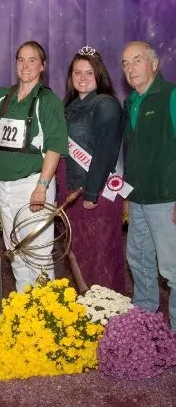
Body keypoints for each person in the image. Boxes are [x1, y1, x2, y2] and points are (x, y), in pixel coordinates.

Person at [0, 40, 68, 292]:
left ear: (42, 66)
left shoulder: (48, 100)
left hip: (33, 183)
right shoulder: (4, 95)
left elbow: (55, 146)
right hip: (4, 185)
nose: (25, 65)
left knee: (39, 249)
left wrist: (42, 187)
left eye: (32, 60)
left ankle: (46, 309)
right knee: (14, 248)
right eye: (20, 59)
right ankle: (24, 305)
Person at [56, 46, 126, 294]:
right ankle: (88, 304)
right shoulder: (69, 105)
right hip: (69, 188)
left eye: (89, 73)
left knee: (101, 252)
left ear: (99, 76)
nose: (82, 78)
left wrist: (91, 194)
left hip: (94, 190)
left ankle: (108, 310)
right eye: (77, 72)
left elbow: (105, 153)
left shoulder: (106, 105)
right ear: (70, 76)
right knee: (74, 250)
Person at [122, 41, 176, 330]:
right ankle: (144, 320)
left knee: (173, 268)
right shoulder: (130, 101)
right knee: (139, 259)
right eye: (126, 63)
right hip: (139, 199)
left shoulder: (171, 95)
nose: (131, 68)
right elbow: (132, 155)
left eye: (137, 60)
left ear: (154, 64)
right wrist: (128, 194)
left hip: (167, 199)